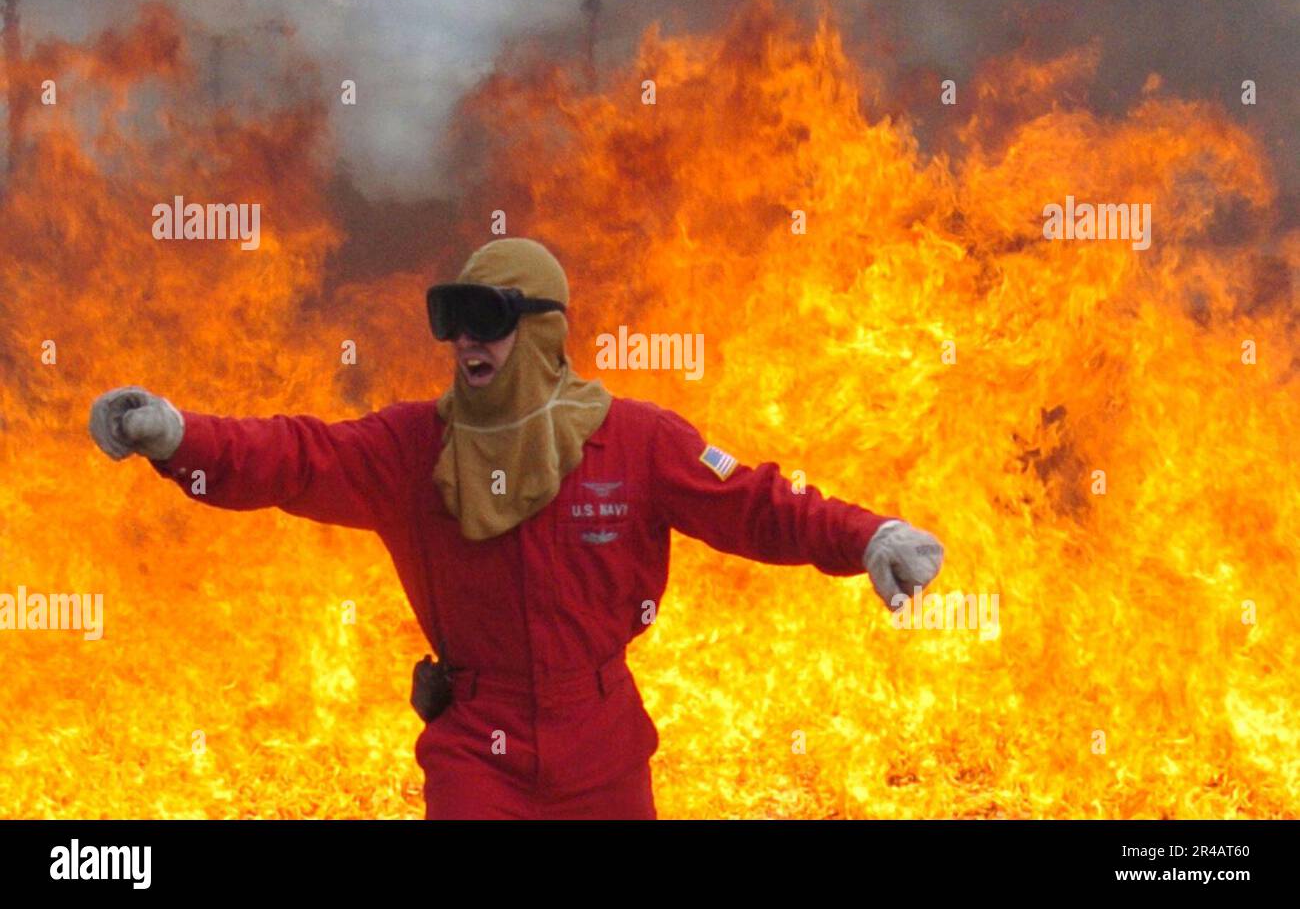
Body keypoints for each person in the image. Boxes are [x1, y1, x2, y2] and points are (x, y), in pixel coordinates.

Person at [88, 237, 944, 819]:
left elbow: (758, 504)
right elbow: (295, 456)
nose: (466, 341)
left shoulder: (638, 440)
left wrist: (868, 536)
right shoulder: (410, 448)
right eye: (453, 323)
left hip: (602, 741)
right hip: (477, 751)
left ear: (542, 330)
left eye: (487, 320)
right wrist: (176, 434)